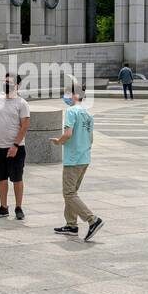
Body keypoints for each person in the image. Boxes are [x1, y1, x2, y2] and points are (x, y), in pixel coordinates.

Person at [50, 84, 103, 241]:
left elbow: (68, 134)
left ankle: (92, 220)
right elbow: (91, 139)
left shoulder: (71, 111)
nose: (65, 96)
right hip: (84, 158)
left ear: (74, 95)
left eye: (67, 93)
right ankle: (71, 224)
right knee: (72, 192)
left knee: (69, 193)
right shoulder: (88, 115)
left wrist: (58, 142)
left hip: (73, 159)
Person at [0, 73, 30, 219]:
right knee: (1, 178)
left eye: (9, 82)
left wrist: (15, 145)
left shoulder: (22, 103)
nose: (6, 84)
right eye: (4, 81)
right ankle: (3, 207)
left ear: (17, 85)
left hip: (16, 149)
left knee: (17, 179)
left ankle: (19, 207)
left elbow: (24, 126)